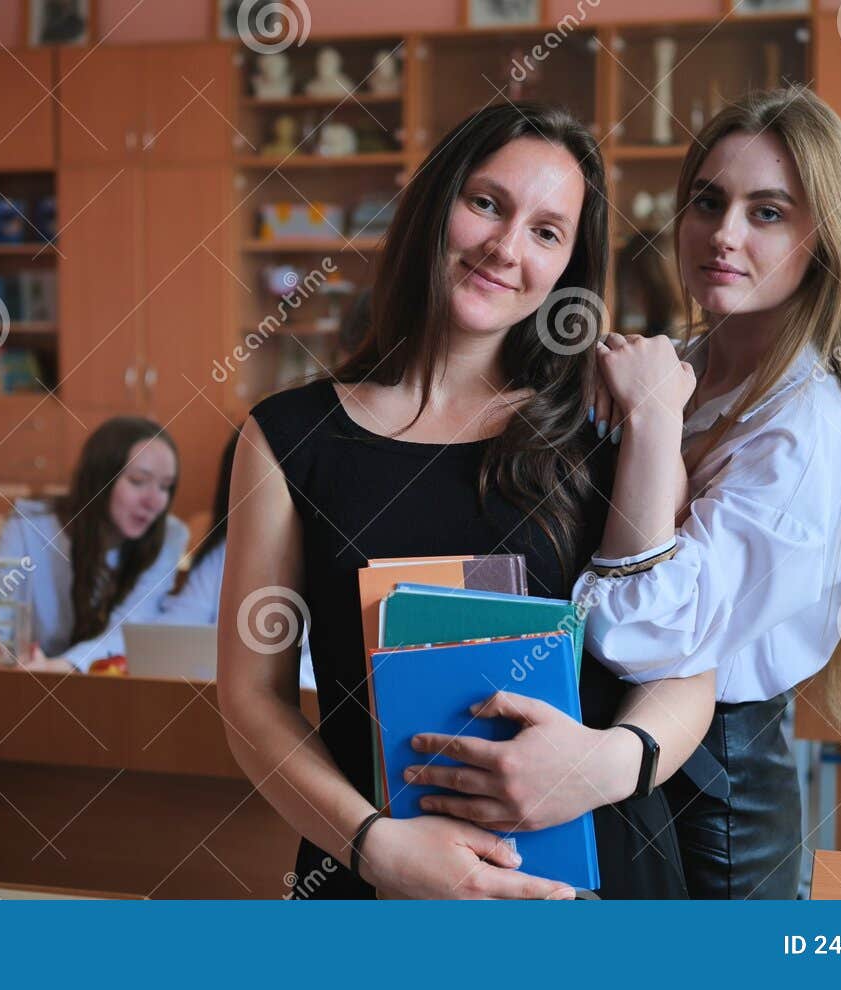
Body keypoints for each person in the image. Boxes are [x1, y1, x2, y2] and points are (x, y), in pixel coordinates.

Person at [219, 102, 715, 901]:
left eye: (547, 232)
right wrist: (373, 846)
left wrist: (607, 762)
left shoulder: (607, 427)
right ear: (435, 201)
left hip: (594, 886)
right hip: (376, 883)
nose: (505, 248)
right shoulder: (288, 439)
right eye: (486, 203)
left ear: (567, 272)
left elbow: (688, 666)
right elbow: (250, 698)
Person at [580, 86, 841, 898]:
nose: (723, 235)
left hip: (715, 794)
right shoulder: (683, 364)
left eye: (768, 212)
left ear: (821, 237)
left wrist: (652, 424)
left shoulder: (802, 428)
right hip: (620, 757)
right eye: (708, 201)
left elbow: (643, 634)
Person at [0, 417, 188, 672]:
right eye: (137, 481)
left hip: (99, 683)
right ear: (100, 480)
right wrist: (2, 662)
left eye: (165, 487)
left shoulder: (169, 536)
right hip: (24, 677)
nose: (154, 502)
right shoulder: (30, 524)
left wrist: (61, 666)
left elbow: (130, 630)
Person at [155, 431, 315, 690]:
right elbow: (176, 627)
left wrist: (248, 691)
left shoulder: (326, 553)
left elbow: (327, 668)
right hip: (216, 703)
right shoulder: (224, 548)